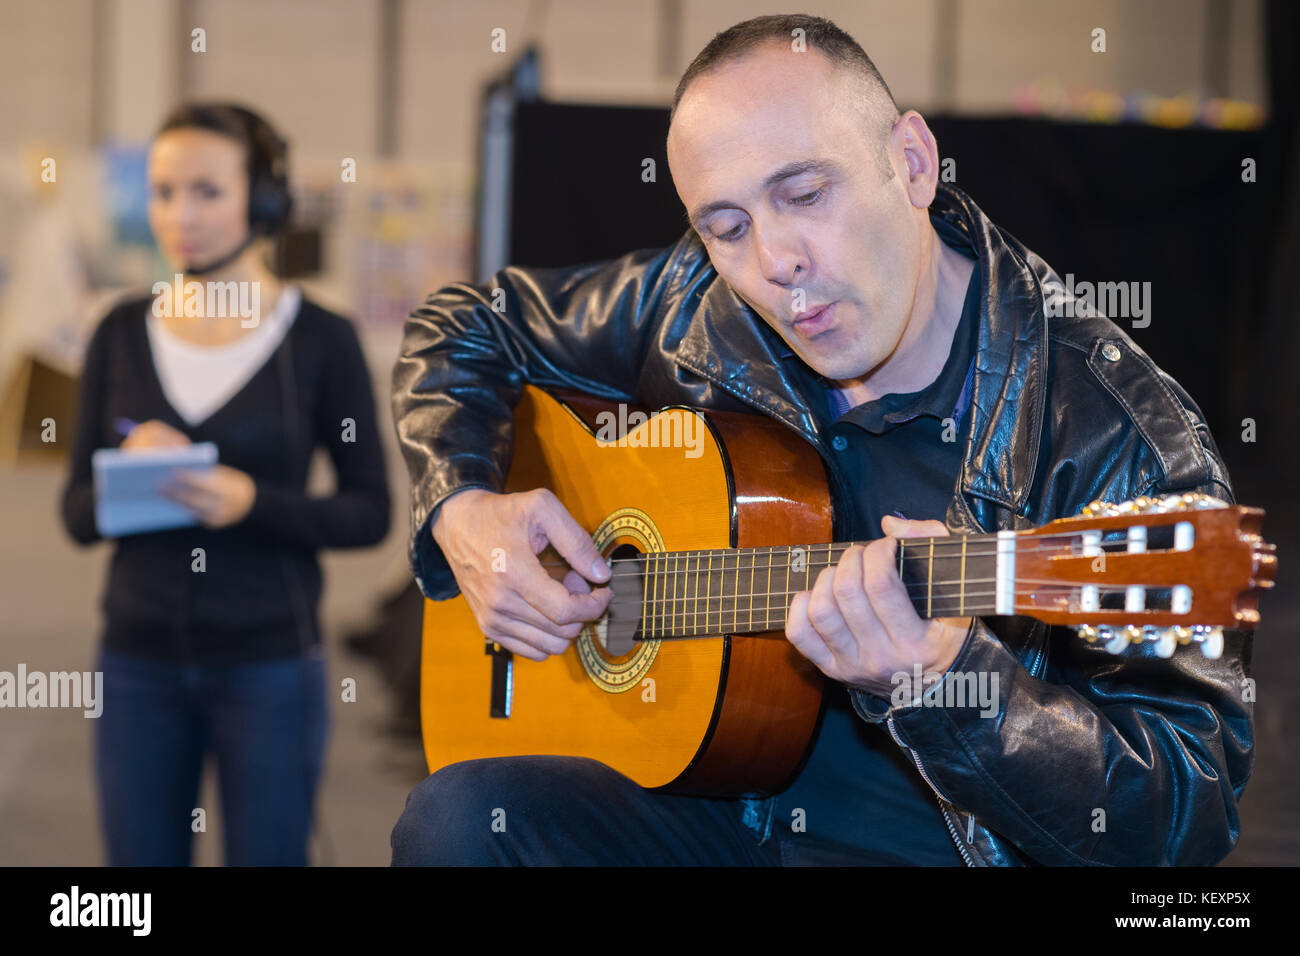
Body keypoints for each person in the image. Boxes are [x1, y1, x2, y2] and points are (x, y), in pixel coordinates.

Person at [389, 15, 1251, 866]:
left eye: (804, 195)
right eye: (726, 227)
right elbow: (467, 325)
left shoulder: (1109, 432)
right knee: (461, 821)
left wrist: (947, 681)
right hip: (717, 813)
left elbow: (1183, 814)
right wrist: (462, 510)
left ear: (912, 163)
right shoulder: (695, 300)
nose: (775, 259)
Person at [60, 103, 390, 866]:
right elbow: (76, 514)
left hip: (270, 665)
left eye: (207, 191)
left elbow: (368, 512)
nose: (181, 215)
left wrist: (250, 504)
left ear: (264, 200)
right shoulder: (118, 330)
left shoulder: (320, 339)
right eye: (164, 191)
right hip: (137, 662)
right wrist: (130, 473)